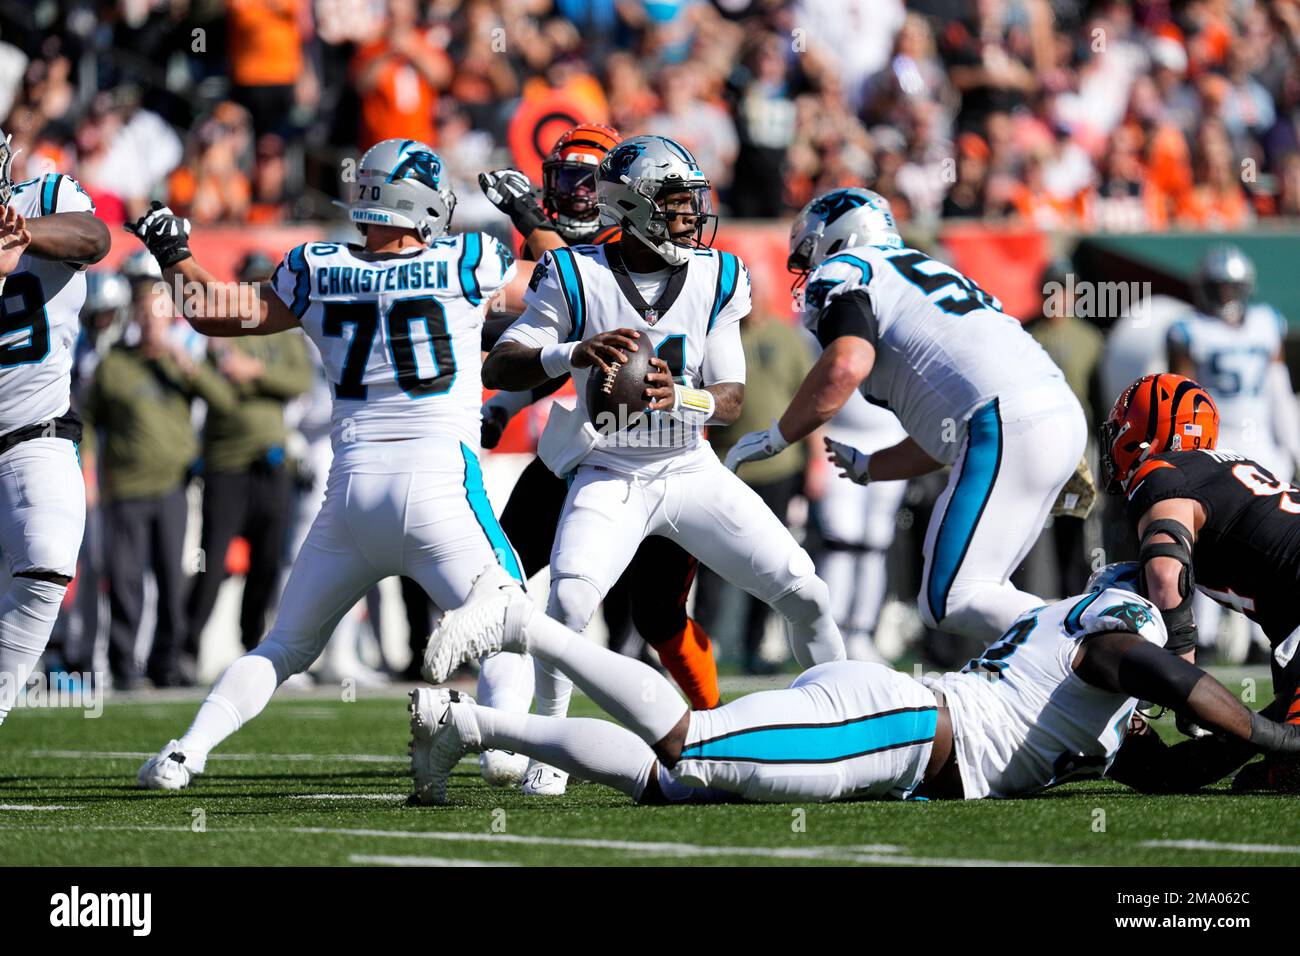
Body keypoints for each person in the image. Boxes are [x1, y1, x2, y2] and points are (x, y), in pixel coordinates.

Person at [130, 138, 535, 789]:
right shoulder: (469, 259)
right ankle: (504, 752)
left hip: (351, 494)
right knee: (511, 624)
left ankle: (185, 753)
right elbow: (560, 286)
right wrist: (534, 218)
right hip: (441, 488)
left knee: (284, 646)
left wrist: (172, 251)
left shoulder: (318, 267)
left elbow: (210, 311)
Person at [481, 135, 845, 796]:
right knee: (567, 599)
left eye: (690, 202)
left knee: (808, 593)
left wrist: (681, 395)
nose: (688, 215)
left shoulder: (716, 273)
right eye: (674, 203)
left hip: (689, 468)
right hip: (610, 470)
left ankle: (847, 729)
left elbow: (731, 400)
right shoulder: (574, 272)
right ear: (629, 205)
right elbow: (501, 363)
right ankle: (552, 748)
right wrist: (573, 353)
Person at [408, 561, 1300, 806]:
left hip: (894, 723)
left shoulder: (1095, 703)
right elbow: (1171, 682)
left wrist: (1245, 760)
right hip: (898, 729)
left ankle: (472, 729)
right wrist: (1279, 734)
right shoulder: (1109, 650)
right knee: (689, 742)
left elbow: (1169, 765)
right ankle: (525, 624)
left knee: (668, 783)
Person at [726, 187, 1087, 643]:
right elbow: (944, 435)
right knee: (979, 590)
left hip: (1005, 423)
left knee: (949, 598)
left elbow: (846, 364)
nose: (809, 268)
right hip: (1055, 416)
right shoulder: (927, 273)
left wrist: (779, 435)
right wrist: (873, 466)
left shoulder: (847, 271)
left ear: (838, 238)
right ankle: (1075, 669)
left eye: (810, 252)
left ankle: (1097, 639)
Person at [480, 124, 724, 765]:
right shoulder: (565, 259)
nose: (579, 195)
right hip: (580, 450)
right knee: (503, 580)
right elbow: (552, 352)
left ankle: (717, 730)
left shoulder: (646, 248)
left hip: (666, 450)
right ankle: (506, 736)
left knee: (659, 617)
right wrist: (504, 401)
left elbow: (568, 308)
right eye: (566, 181)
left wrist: (532, 226)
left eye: (592, 181)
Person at [1100, 372, 1300, 790]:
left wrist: (1180, 684)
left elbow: (1164, 568)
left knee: (1285, 759)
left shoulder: (1162, 473)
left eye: (1123, 426)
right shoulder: (1228, 468)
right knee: (1254, 755)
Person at [0, 138, 110, 727]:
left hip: (33, 434)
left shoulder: (43, 196)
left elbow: (95, 238)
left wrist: (24, 236)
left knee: (45, 565)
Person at [80, 281, 237, 688]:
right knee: (125, 580)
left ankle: (166, 662)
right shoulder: (115, 364)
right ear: (134, 317)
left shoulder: (180, 364)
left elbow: (225, 403)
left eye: (158, 314)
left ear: (170, 318)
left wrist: (187, 364)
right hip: (125, 488)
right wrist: (89, 472)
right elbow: (88, 422)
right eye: (145, 314)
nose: (151, 322)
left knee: (172, 579)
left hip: (173, 488)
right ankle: (122, 665)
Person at [1165, 245, 1300, 661]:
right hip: (1217, 443)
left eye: (1231, 288)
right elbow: (1182, 396)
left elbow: (1278, 390)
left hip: (1261, 444)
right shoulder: (1188, 330)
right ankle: (1201, 633)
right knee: (1208, 543)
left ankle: (1264, 639)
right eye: (1218, 288)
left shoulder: (1265, 324)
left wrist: (1293, 445)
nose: (1225, 296)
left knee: (1266, 540)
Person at [182, 252, 314, 672]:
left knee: (267, 562)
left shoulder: (285, 330)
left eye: (264, 280)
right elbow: (219, 395)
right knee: (213, 561)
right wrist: (224, 377)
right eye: (252, 280)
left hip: (271, 463)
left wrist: (254, 373)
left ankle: (254, 649)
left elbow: (301, 383)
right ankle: (185, 649)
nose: (259, 287)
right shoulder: (225, 325)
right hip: (226, 462)